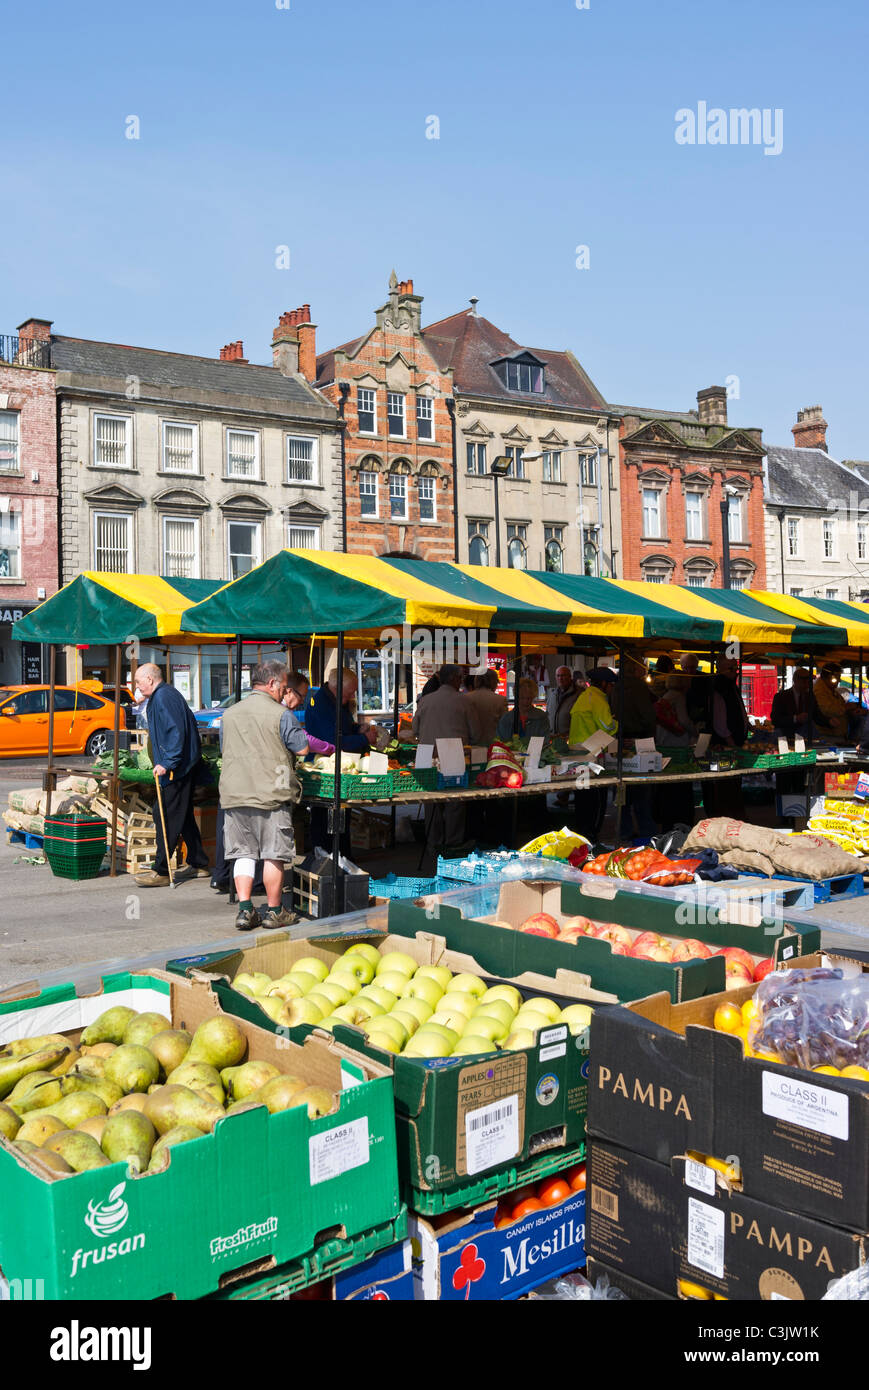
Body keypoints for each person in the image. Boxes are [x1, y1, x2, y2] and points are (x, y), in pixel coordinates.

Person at [219, 660, 301, 931]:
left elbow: (225, 749)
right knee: (272, 854)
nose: (284, 693)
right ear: (272, 684)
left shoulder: (229, 714)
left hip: (235, 793)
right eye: (284, 687)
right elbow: (300, 749)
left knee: (242, 853)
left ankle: (245, 911)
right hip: (271, 794)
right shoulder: (281, 714)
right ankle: (274, 911)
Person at [133, 663, 209, 888]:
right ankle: (199, 862)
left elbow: (176, 731)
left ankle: (162, 870)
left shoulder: (164, 697)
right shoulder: (161, 695)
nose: (136, 686)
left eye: (138, 681)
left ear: (149, 679)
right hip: (180, 766)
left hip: (177, 768)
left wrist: (167, 763)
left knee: (164, 815)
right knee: (182, 815)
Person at [412, 664, 482, 873]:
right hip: (453, 756)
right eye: (460, 678)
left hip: (427, 757)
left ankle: (434, 846)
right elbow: (476, 733)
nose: (461, 681)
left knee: (432, 802)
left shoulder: (425, 700)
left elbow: (414, 729)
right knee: (454, 804)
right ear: (454, 679)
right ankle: (452, 849)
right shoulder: (464, 701)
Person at [305, 667, 377, 852]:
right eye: (349, 693)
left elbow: (343, 729)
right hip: (325, 771)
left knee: (342, 818)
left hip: (342, 767)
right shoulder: (321, 704)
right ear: (336, 689)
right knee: (325, 820)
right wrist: (363, 739)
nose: (351, 697)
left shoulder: (337, 701)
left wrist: (356, 729)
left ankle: (342, 856)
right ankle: (326, 857)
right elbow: (332, 740)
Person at [567, 667, 618, 841]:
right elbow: (607, 726)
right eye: (610, 685)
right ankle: (591, 836)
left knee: (582, 795)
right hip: (592, 752)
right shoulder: (598, 699)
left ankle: (581, 835)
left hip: (577, 753)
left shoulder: (583, 696)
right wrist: (617, 722)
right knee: (597, 797)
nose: (611, 688)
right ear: (603, 684)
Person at [704, 655, 749, 820]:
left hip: (735, 742)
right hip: (724, 745)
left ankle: (735, 817)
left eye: (735, 667)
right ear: (720, 668)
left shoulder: (731, 686)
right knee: (725, 783)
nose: (735, 671)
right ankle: (727, 818)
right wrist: (730, 742)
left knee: (734, 782)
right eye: (731, 668)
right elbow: (719, 721)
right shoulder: (719, 687)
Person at [653, 673, 697, 831]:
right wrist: (695, 731)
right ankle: (681, 821)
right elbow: (684, 720)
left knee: (667, 787)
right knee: (680, 786)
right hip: (677, 745)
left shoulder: (664, 697)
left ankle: (667, 821)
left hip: (663, 744)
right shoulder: (679, 697)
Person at [496, 677, 551, 741]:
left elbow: (545, 741)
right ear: (516, 697)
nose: (525, 701)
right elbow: (500, 744)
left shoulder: (541, 717)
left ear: (533, 697)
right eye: (522, 698)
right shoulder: (505, 719)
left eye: (529, 698)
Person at [464, 669, 507, 749]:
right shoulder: (501, 700)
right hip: (492, 745)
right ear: (493, 682)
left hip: (470, 746)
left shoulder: (466, 698)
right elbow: (504, 726)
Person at [770, 668, 815, 742]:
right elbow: (775, 720)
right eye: (804, 681)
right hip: (786, 738)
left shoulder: (810, 696)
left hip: (806, 738)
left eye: (809, 681)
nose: (807, 685)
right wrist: (795, 718)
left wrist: (829, 721)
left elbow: (817, 714)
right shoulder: (781, 696)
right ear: (795, 680)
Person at [813, 663, 849, 742]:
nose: (839, 680)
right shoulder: (819, 690)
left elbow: (840, 703)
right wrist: (846, 708)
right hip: (827, 736)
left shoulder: (830, 689)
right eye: (838, 677)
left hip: (835, 734)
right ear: (831, 677)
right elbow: (827, 710)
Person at [547, 665, 581, 739]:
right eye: (558, 676)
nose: (560, 678)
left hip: (570, 738)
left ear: (570, 677)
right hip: (553, 738)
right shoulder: (552, 694)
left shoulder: (579, 694)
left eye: (563, 675)